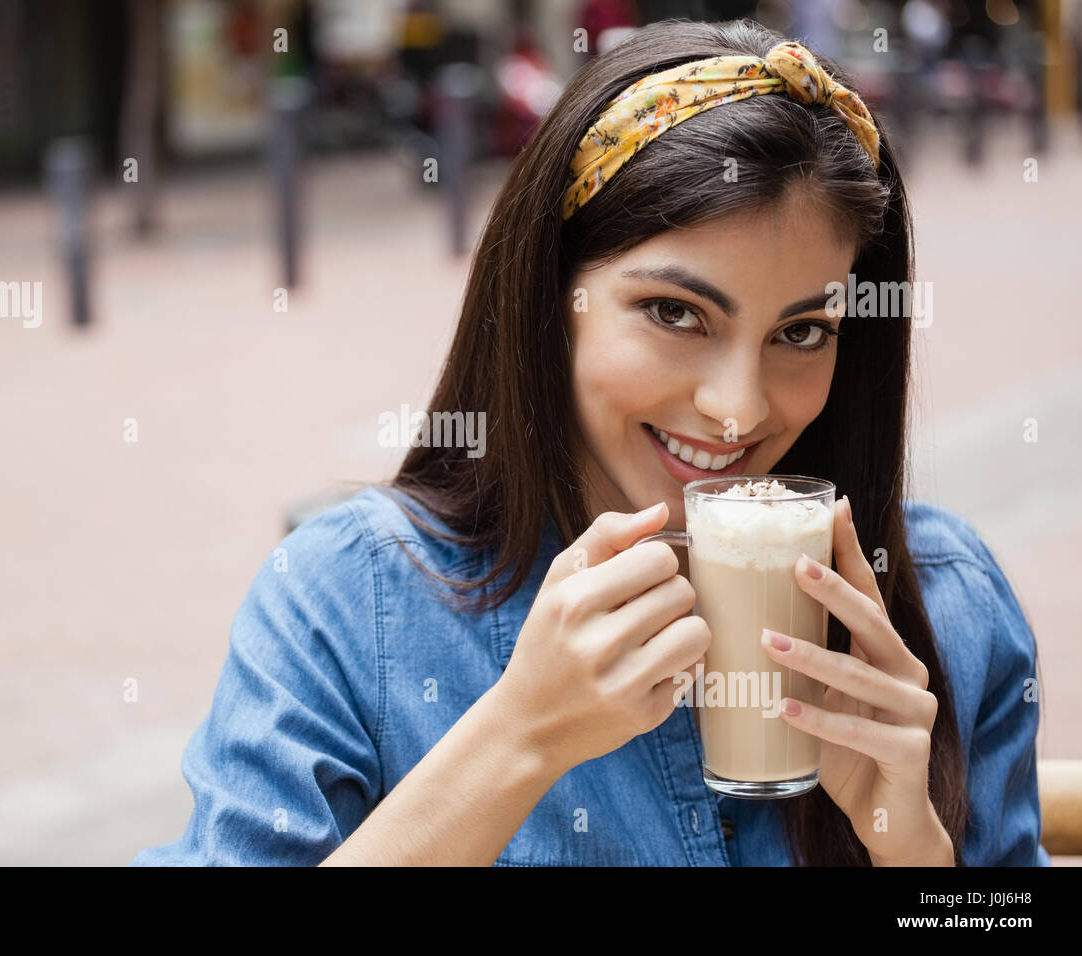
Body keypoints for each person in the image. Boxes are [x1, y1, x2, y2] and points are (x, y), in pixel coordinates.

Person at [133, 18, 1048, 867]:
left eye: (802, 331)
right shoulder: (351, 603)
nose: (737, 407)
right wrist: (521, 739)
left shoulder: (946, 605)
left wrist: (918, 860)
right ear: (549, 304)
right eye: (674, 313)